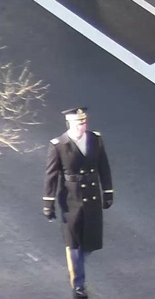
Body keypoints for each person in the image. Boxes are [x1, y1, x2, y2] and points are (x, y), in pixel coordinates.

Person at [42, 108, 113, 299]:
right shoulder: (59, 145)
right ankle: (78, 284)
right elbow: (51, 176)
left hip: (92, 198)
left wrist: (107, 191)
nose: (82, 126)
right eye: (78, 123)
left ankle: (78, 265)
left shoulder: (95, 139)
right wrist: (48, 202)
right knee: (73, 243)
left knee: (89, 243)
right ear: (69, 124)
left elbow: (103, 167)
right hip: (70, 200)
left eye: (84, 122)